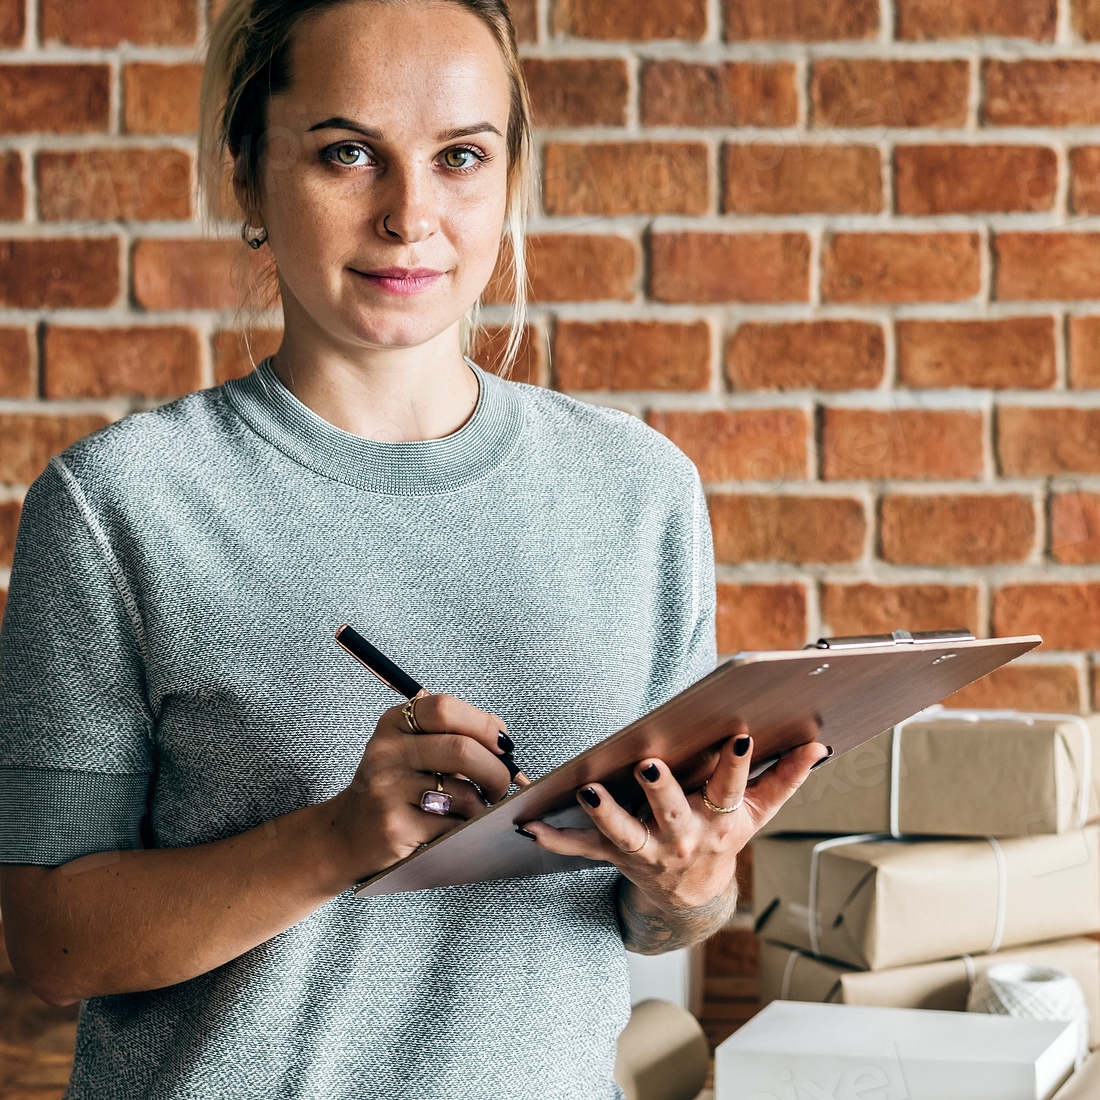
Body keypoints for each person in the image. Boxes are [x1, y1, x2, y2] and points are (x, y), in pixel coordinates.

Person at [0, 1, 826, 1097]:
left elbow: (658, 915)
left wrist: (689, 878)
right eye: (348, 154)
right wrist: (332, 840)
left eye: (459, 157)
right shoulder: (117, 505)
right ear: (248, 176)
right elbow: (54, 944)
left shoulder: (640, 492)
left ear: (508, 181)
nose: (409, 214)